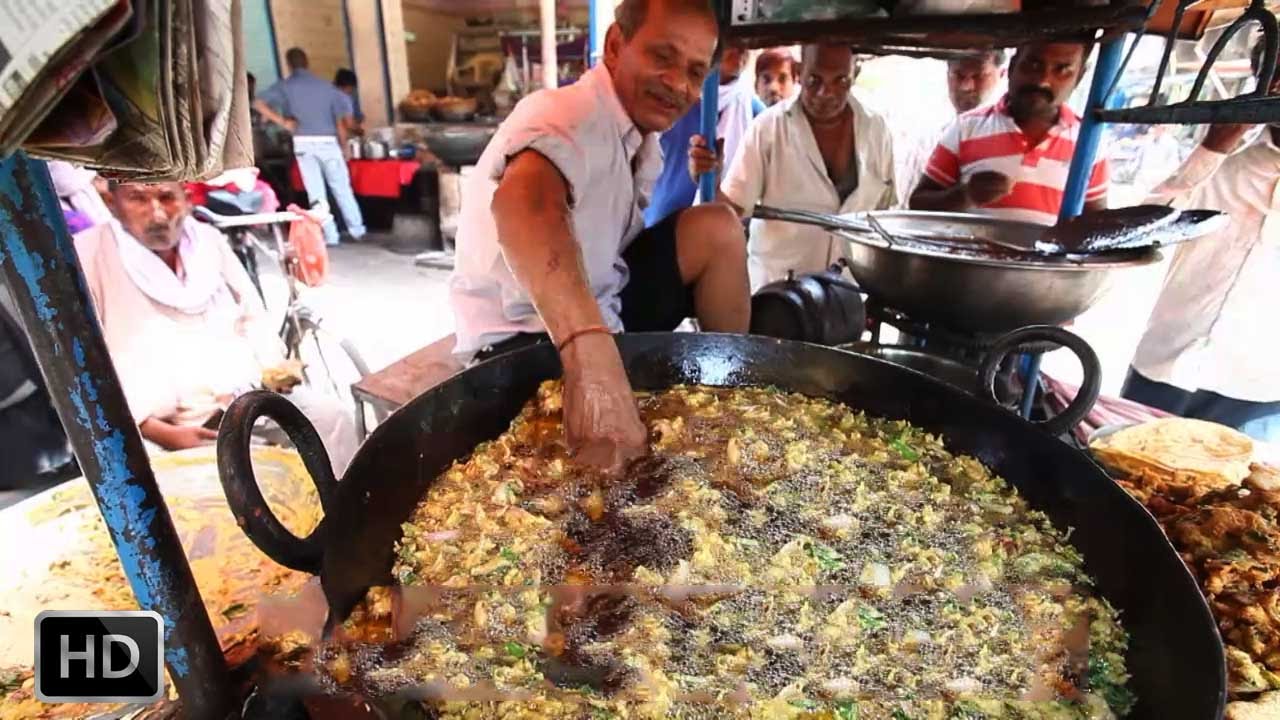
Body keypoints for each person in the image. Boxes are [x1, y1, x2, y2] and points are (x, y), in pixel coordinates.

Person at [449, 0, 750, 472]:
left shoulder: (636, 135)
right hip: (526, 338)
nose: (679, 85)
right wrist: (593, 360)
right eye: (663, 58)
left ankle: (736, 391)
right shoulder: (569, 113)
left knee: (718, 228)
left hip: (605, 298)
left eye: (695, 71)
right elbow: (525, 204)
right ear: (615, 45)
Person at [73, 182, 358, 471]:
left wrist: (272, 368)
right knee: (242, 478)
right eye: (138, 199)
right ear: (111, 202)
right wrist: (159, 431)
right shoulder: (88, 254)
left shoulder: (208, 241)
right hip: (160, 424)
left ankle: (343, 514)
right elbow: (84, 370)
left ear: (187, 200)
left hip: (241, 398)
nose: (157, 214)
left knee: (331, 419)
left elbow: (252, 313)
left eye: (167, 197)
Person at [1121, 45, 1280, 441]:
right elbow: (1135, 231)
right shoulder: (1223, 165)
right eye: (1273, 76)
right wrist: (1211, 150)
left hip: (1259, 390)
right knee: (1119, 487)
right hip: (1167, 368)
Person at [692, 43, 896, 290]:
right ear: (799, 72)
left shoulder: (876, 130)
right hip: (777, 300)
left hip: (848, 299)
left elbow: (885, 215)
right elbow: (730, 212)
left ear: (855, 76)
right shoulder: (768, 129)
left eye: (840, 81)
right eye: (814, 80)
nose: (825, 93)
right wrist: (709, 178)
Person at [910, 42, 1108, 225]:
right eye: (1033, 64)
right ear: (1013, 67)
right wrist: (965, 195)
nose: (1043, 81)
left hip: (1049, 264)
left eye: (1062, 70)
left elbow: (1095, 224)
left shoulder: (1089, 143)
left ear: (1079, 76)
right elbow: (918, 204)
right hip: (971, 263)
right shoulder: (966, 127)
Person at [644, 39, 764, 226]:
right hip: (663, 225)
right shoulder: (674, 99)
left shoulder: (755, 113)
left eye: (745, 41)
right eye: (730, 40)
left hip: (723, 230)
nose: (740, 48)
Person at [254, 47, 366, 246]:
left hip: (303, 143)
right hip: (329, 143)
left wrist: (282, 122)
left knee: (316, 192)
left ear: (289, 64)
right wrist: (344, 146)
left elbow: (257, 103)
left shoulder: (285, 87)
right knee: (341, 188)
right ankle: (357, 230)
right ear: (307, 62)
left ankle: (331, 236)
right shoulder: (327, 88)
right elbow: (341, 123)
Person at [895, 50, 1008, 207]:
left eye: (979, 76)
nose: (966, 87)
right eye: (959, 75)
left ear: (1002, 75)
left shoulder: (1008, 138)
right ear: (948, 74)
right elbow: (909, 205)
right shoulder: (924, 134)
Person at [333, 68, 365, 135]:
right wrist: (360, 131)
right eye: (352, 88)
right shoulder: (345, 98)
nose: (352, 91)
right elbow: (350, 124)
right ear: (349, 86)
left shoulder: (326, 94)